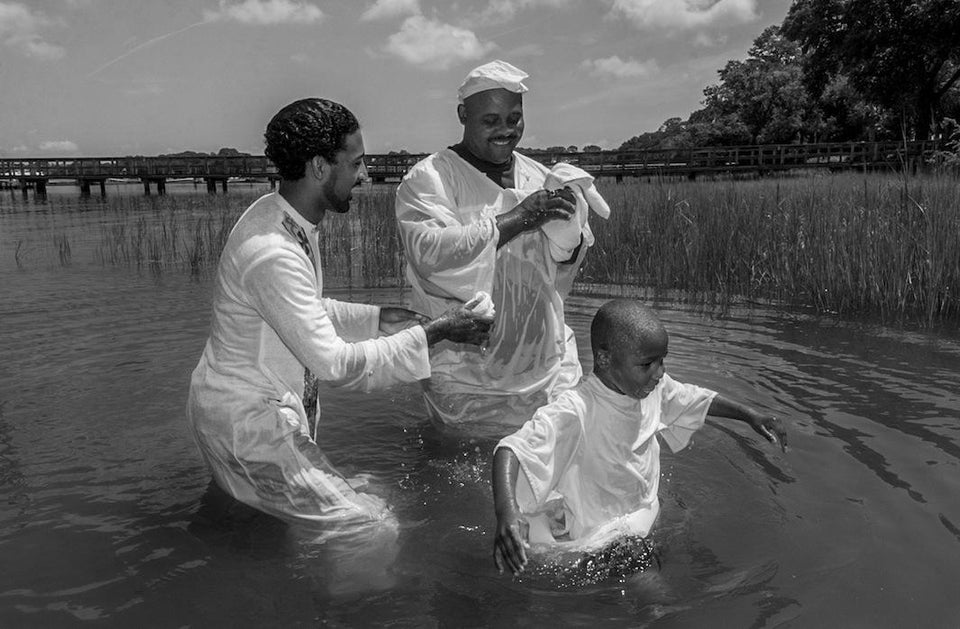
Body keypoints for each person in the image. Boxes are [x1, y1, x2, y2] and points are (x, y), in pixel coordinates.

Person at [186, 97, 492, 530]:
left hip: (238, 416)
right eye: (356, 163)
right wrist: (438, 332)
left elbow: (302, 311)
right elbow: (335, 365)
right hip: (248, 427)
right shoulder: (273, 250)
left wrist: (377, 319)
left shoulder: (281, 217)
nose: (364, 175)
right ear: (319, 167)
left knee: (367, 493)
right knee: (370, 528)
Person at [491, 299, 788, 576]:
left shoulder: (651, 390)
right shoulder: (578, 408)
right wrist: (508, 513)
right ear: (604, 359)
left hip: (639, 515)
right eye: (647, 364)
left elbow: (694, 399)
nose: (659, 373)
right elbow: (511, 449)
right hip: (598, 536)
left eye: (662, 361)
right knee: (652, 590)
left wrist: (750, 415)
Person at [395, 59, 607, 432]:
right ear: (463, 115)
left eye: (514, 119)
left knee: (561, 450)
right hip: (465, 374)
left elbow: (563, 266)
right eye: (491, 120)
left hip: (547, 362)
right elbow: (430, 255)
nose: (505, 130)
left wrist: (570, 231)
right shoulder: (430, 179)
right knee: (463, 460)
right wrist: (521, 218)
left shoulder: (540, 177)